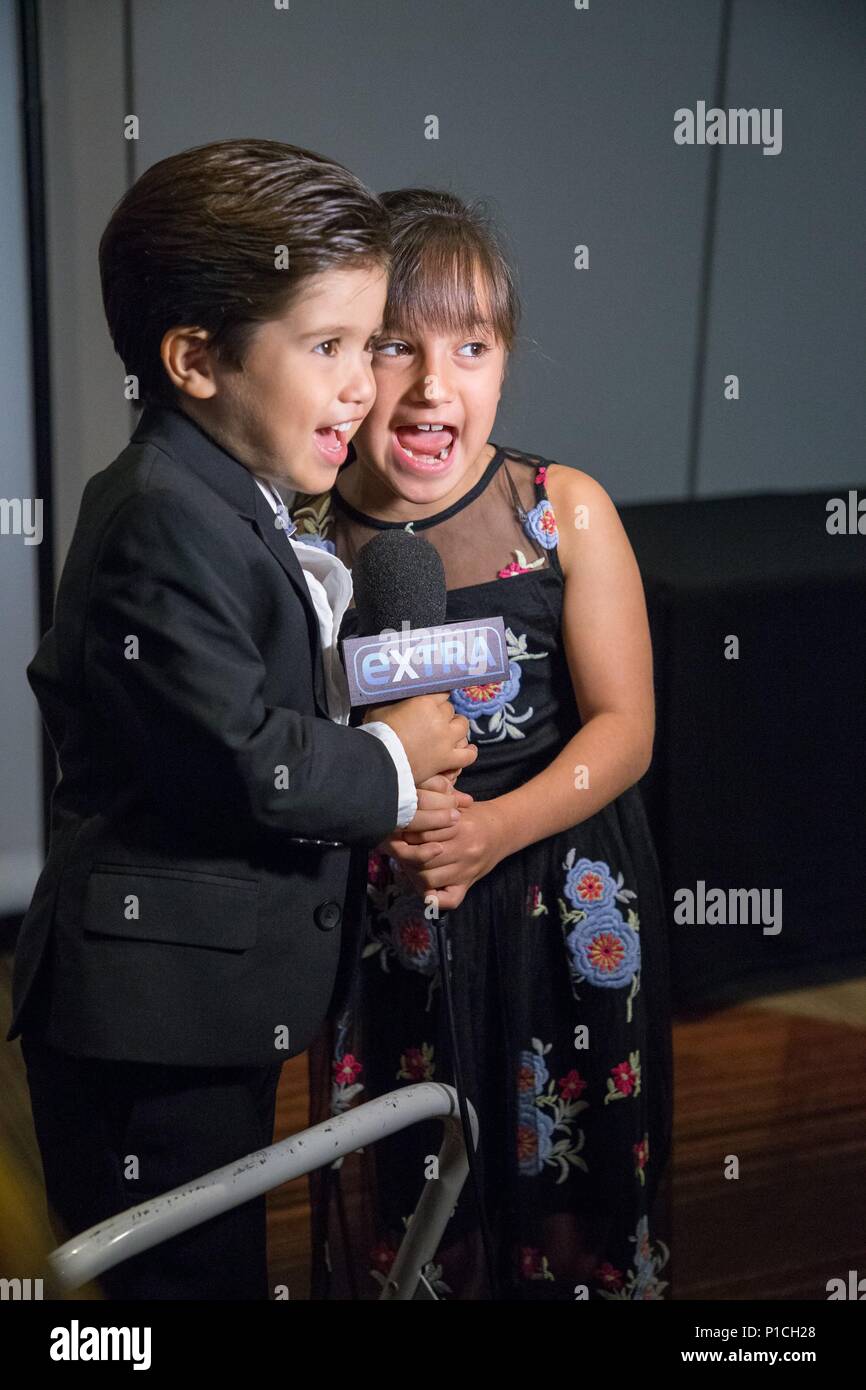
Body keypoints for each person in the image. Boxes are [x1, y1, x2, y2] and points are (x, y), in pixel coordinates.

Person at [6, 143, 476, 1301]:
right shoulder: (162, 519)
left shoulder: (232, 496)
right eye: (327, 347)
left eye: (367, 343)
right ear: (196, 359)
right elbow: (243, 760)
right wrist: (392, 759)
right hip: (149, 1024)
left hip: (209, 1002)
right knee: (175, 1282)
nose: (363, 384)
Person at [292, 189, 674, 1301]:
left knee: (565, 1203)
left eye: (470, 346)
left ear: (503, 360)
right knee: (419, 1212)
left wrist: (493, 829)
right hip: (393, 912)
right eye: (396, 346)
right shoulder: (304, 535)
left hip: (559, 898)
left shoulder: (565, 509)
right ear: (349, 365)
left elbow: (628, 727)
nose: (431, 386)